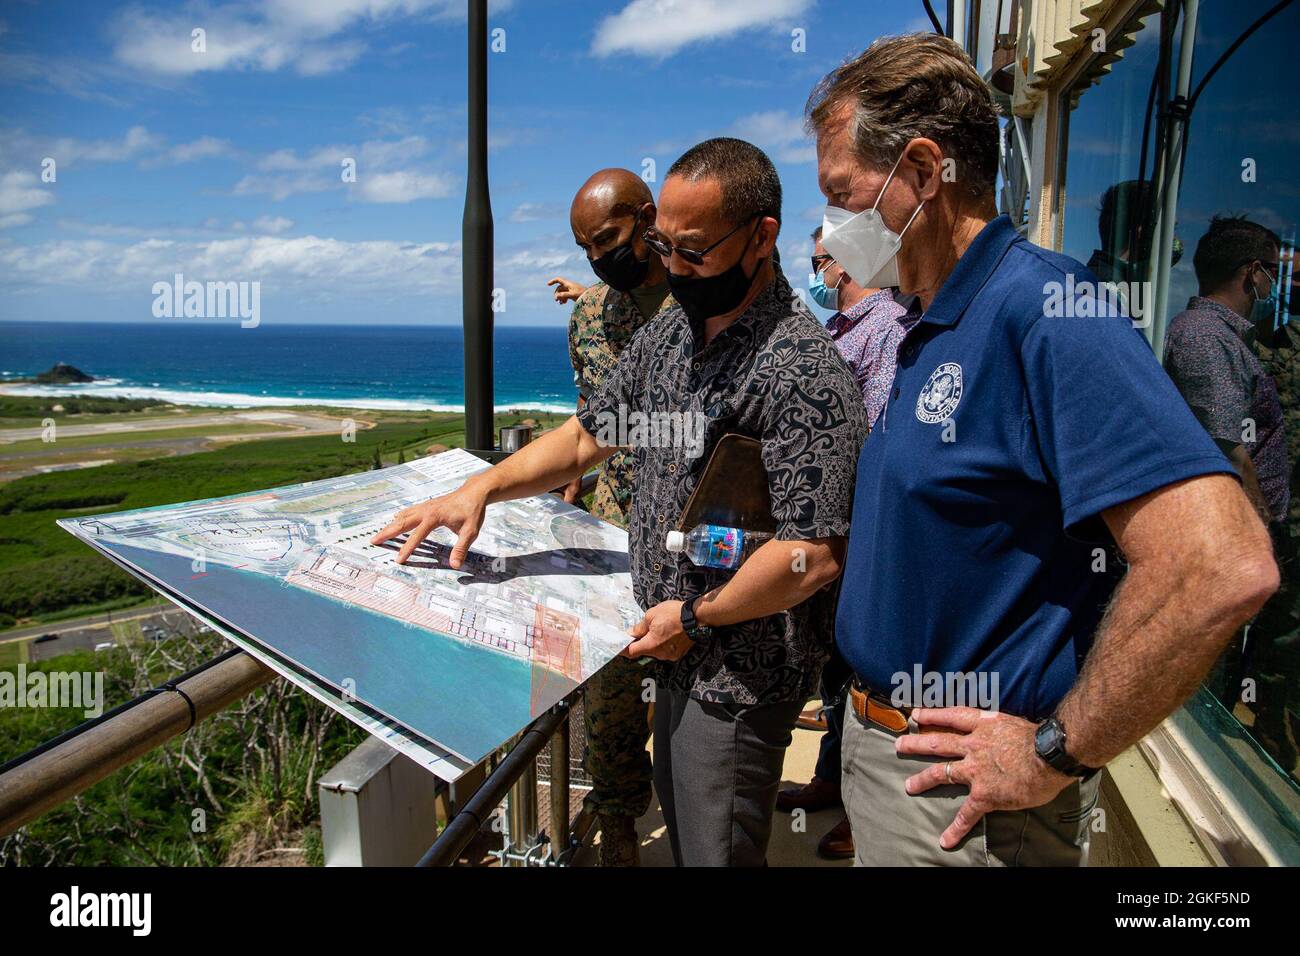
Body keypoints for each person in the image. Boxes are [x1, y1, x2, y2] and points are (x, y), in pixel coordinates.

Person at [805, 33, 1278, 866]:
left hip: (963, 807)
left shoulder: (1044, 309)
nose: (836, 229)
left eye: (843, 196)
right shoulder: (930, 313)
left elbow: (1220, 563)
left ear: (922, 172)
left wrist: (1056, 750)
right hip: (893, 764)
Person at [373, 138, 866, 867]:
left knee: (716, 852)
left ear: (763, 238)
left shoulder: (801, 372)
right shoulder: (672, 333)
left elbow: (814, 555)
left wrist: (697, 618)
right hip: (673, 649)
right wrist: (478, 488)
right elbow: (584, 439)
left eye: (694, 252)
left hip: (735, 672)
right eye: (665, 246)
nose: (674, 268)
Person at [549, 169, 674, 866]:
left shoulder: (697, 300)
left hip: (694, 536)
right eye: (585, 249)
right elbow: (585, 418)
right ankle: (619, 821)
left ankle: (692, 813)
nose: (598, 259)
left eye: (608, 240)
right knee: (609, 689)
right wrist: (569, 487)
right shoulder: (589, 317)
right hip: (614, 528)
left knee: (690, 687)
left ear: (647, 218)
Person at [776, 228, 910, 860]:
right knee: (835, 672)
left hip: (856, 534)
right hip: (831, 530)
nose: (816, 274)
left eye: (818, 262)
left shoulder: (886, 328)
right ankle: (832, 779)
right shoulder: (845, 327)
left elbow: (875, 435)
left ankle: (860, 810)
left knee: (858, 671)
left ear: (843, 263)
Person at [1165, 216, 1297, 779]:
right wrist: (1263, 533)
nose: (1276, 287)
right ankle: (1205, 769)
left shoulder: (1228, 339)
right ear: (1253, 275)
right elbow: (1228, 451)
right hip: (1231, 538)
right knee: (1208, 671)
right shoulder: (1205, 338)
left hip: (1242, 536)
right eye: (1272, 273)